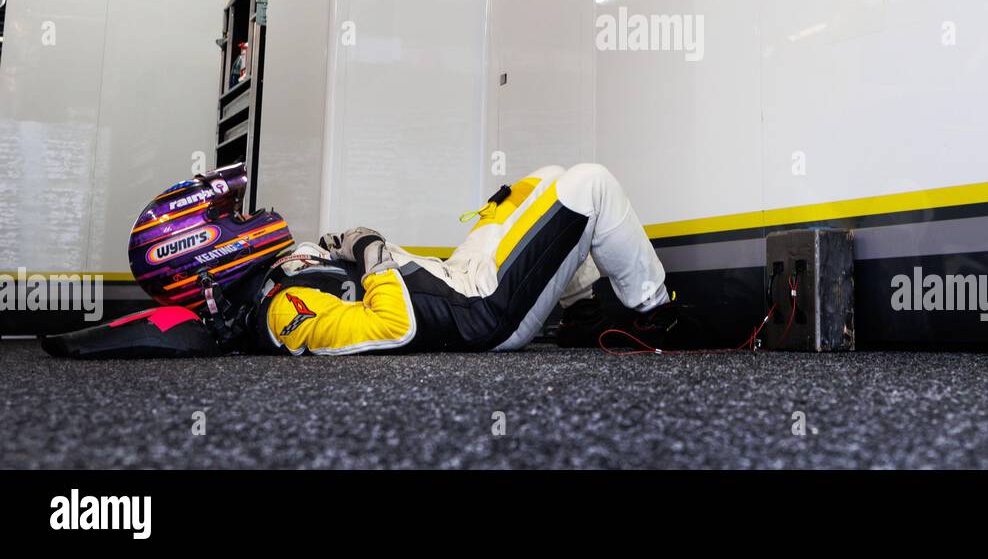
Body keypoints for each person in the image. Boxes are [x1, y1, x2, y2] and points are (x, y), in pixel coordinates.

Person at [48, 162, 699, 359]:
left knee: (537, 181)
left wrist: (349, 252)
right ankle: (654, 314)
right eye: (224, 222)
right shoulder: (283, 312)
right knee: (588, 183)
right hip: (476, 314)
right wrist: (368, 250)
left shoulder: (275, 277)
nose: (245, 218)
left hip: (449, 277)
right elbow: (392, 327)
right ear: (203, 252)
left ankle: (586, 307)